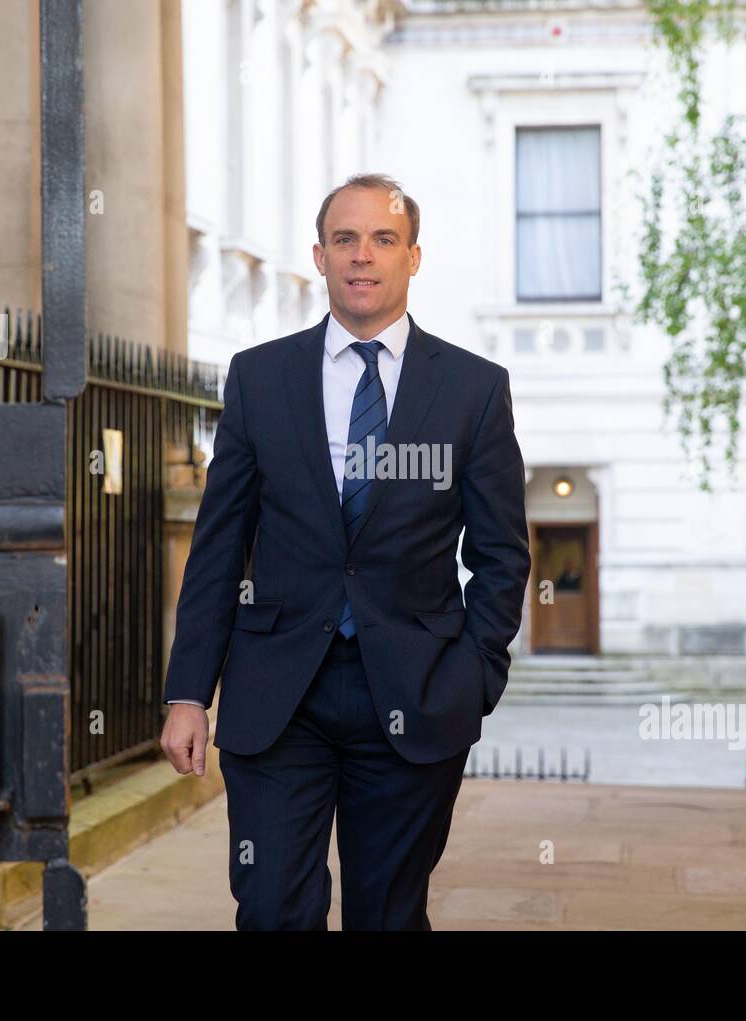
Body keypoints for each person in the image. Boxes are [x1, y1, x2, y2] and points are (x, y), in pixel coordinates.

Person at [159, 172, 530, 930]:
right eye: (345, 239)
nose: (364, 256)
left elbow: (502, 553)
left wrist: (473, 674)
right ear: (320, 256)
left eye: (383, 239)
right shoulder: (260, 378)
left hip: (415, 693)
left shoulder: (472, 389)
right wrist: (189, 690)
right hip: (277, 694)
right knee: (270, 909)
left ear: (413, 257)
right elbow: (219, 545)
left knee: (387, 915)